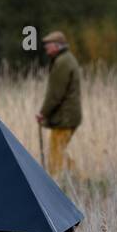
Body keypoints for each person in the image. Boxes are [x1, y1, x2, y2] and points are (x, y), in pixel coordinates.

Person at [36, 30, 82, 176]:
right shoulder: (66, 59)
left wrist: (43, 112)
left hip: (65, 118)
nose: (46, 48)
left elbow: (55, 94)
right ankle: (78, 180)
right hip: (68, 116)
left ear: (57, 46)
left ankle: (58, 182)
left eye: (48, 45)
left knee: (55, 157)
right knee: (59, 152)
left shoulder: (62, 63)